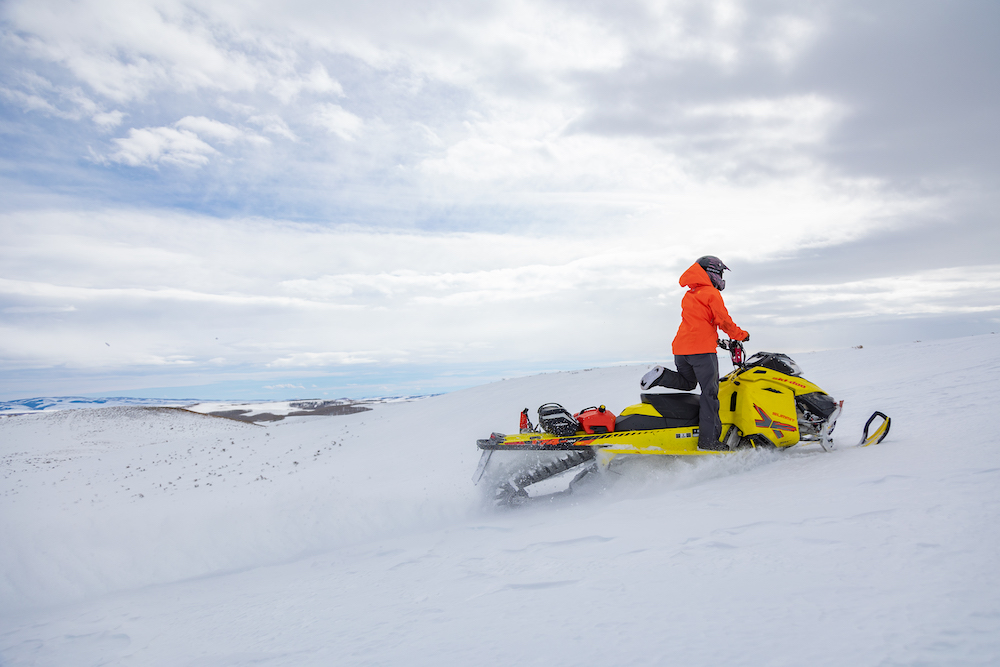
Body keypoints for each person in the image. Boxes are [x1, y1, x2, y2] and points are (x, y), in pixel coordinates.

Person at [640, 256, 749, 450]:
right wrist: (741, 335)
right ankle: (708, 441)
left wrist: (716, 340)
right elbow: (723, 321)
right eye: (720, 273)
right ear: (712, 273)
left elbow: (699, 324)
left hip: (681, 349)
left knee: (688, 382)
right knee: (710, 394)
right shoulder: (711, 293)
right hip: (702, 352)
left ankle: (662, 375)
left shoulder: (690, 295)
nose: (721, 278)